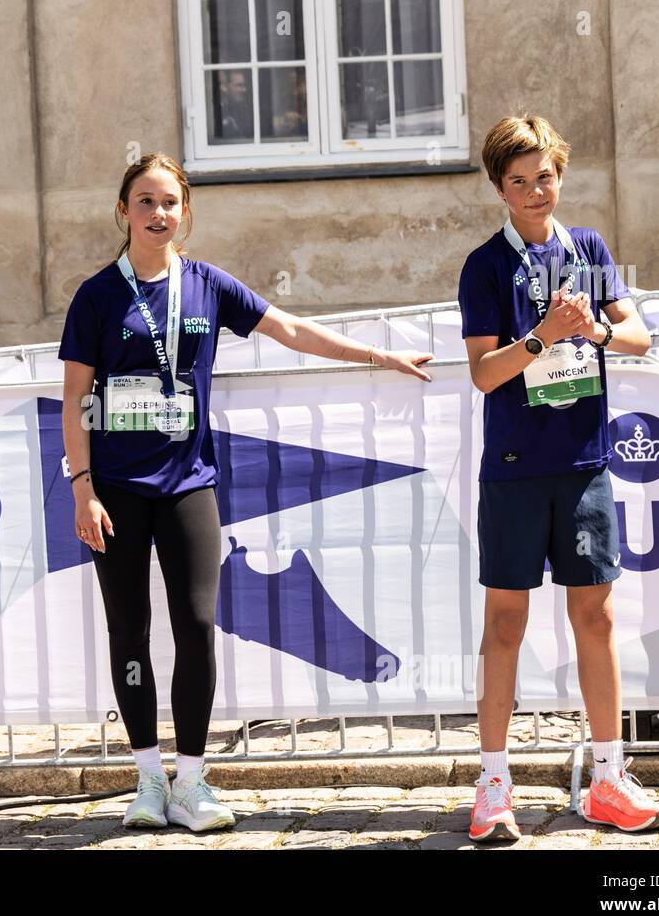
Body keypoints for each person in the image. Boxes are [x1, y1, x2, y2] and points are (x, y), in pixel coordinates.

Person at [58, 153, 434, 832]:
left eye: (169, 201)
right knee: (129, 630)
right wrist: (83, 487)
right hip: (114, 490)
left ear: (185, 210)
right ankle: (147, 780)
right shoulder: (97, 296)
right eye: (144, 201)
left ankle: (193, 781)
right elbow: (74, 398)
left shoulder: (206, 285)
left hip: (187, 485)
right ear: (123, 211)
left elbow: (288, 329)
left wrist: (377, 355)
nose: (158, 213)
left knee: (198, 626)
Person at [458, 114, 659, 843]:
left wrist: (597, 331)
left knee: (597, 618)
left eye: (544, 176)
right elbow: (485, 374)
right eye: (518, 182)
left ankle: (608, 778)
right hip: (515, 468)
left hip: (584, 463)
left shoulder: (590, 250)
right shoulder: (486, 265)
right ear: (499, 189)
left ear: (560, 174)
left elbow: (638, 334)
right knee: (506, 624)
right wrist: (541, 337)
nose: (534, 191)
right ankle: (493, 783)